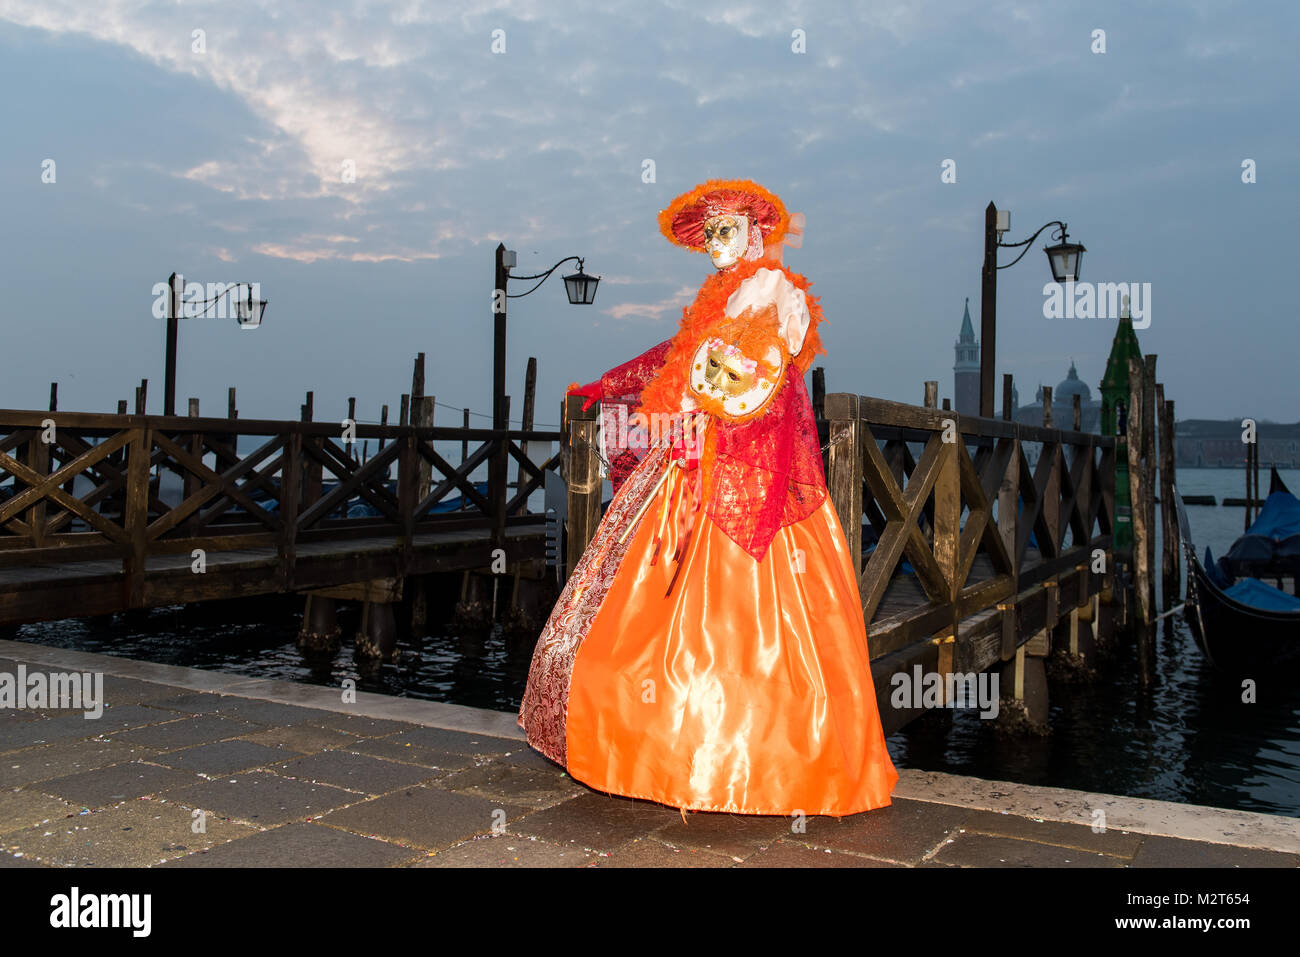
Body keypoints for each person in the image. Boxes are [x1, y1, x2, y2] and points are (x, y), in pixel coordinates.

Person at [517, 178, 898, 816]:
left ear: (755, 234)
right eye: (712, 233)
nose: (720, 243)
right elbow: (675, 361)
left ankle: (759, 758)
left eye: (730, 231)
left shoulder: (775, 290)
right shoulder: (712, 299)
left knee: (755, 616)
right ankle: (659, 748)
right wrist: (610, 384)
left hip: (750, 467)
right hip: (689, 460)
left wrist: (709, 399)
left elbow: (760, 370)